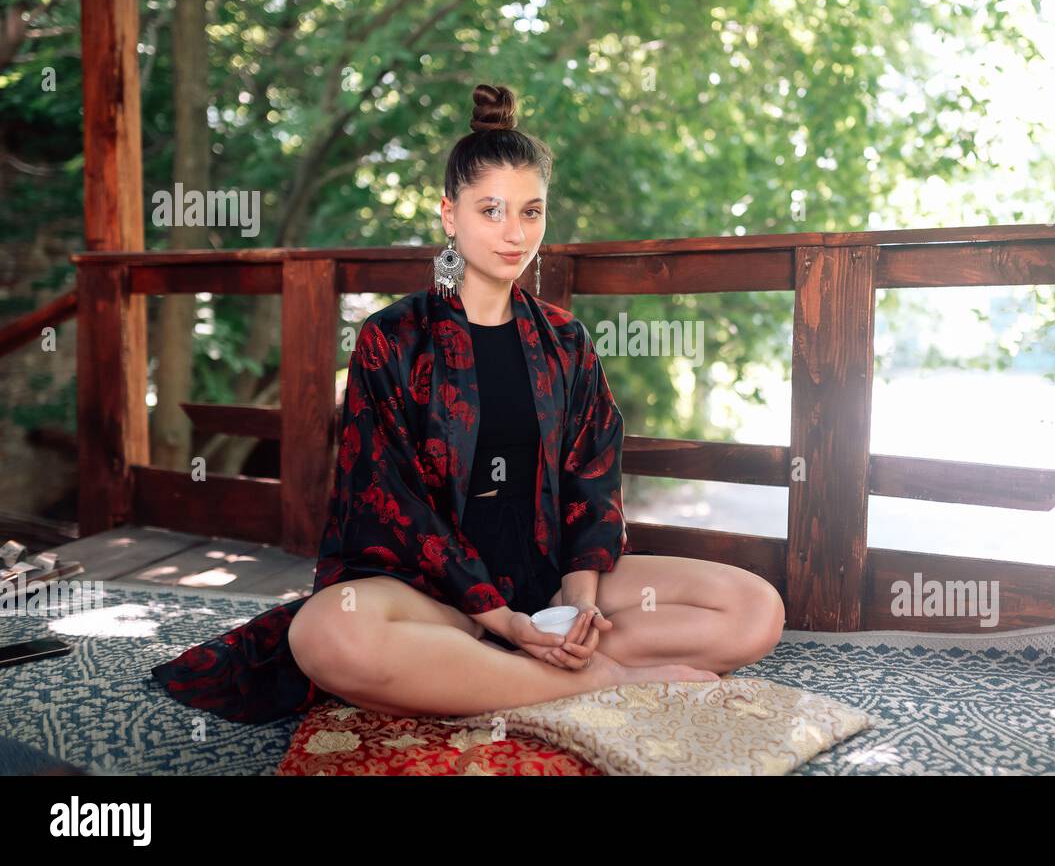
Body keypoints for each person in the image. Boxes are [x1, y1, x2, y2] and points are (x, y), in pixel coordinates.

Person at [150, 83, 785, 723]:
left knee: (755, 611)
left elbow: (594, 475)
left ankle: (493, 670)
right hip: (439, 596)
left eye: (531, 212)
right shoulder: (391, 339)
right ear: (450, 215)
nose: (516, 234)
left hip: (545, 582)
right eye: (492, 211)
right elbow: (388, 501)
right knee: (326, 634)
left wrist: (580, 595)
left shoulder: (565, 340)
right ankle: (601, 682)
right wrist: (497, 615)